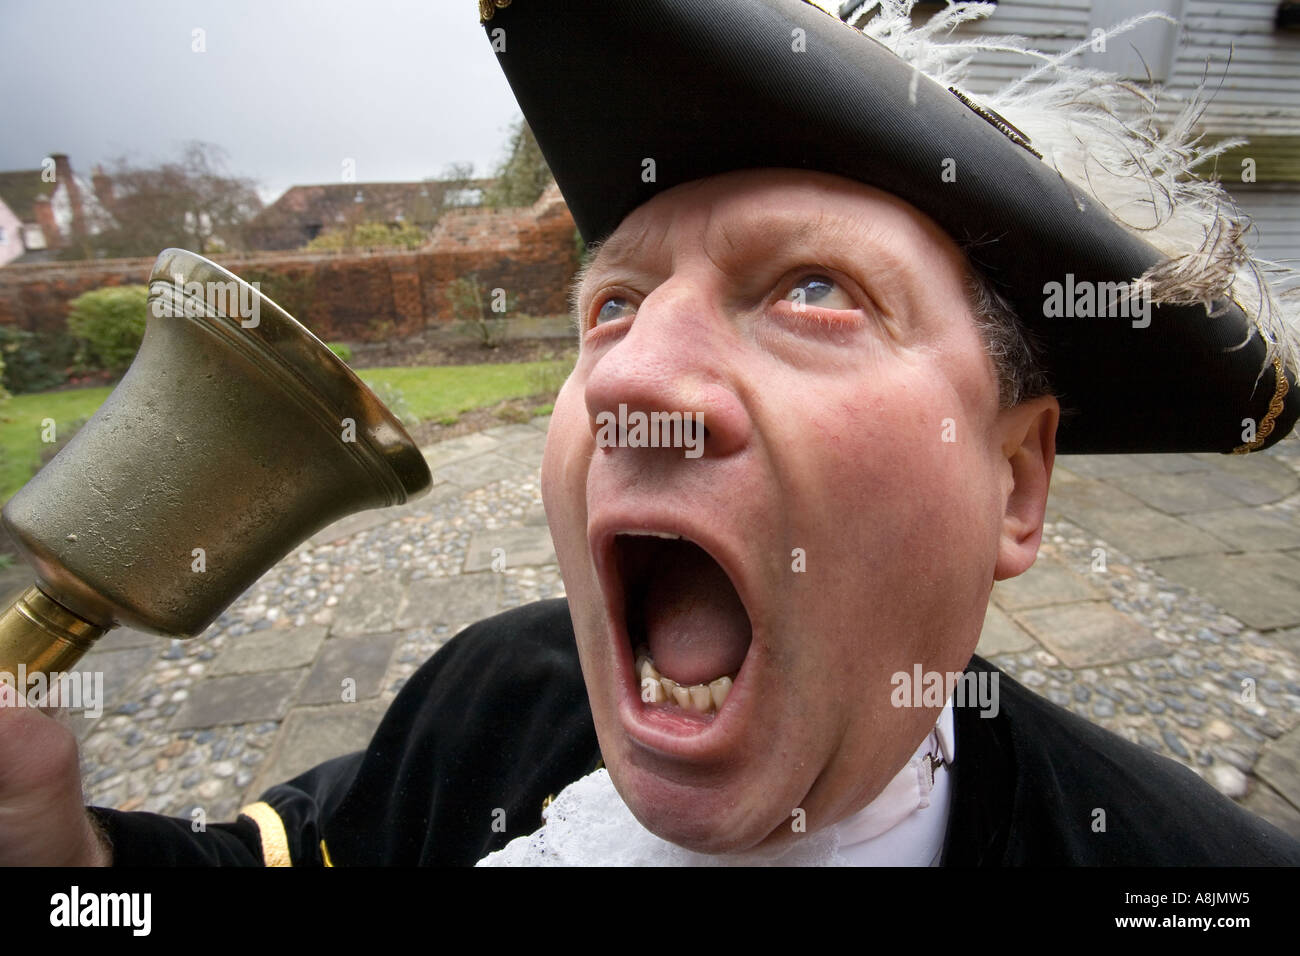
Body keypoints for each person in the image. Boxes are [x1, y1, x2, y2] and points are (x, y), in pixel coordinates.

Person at [3, 0, 1299, 866]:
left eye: (814, 293)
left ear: (1016, 481)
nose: (629, 380)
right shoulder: (489, 701)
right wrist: (60, 850)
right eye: (613, 305)